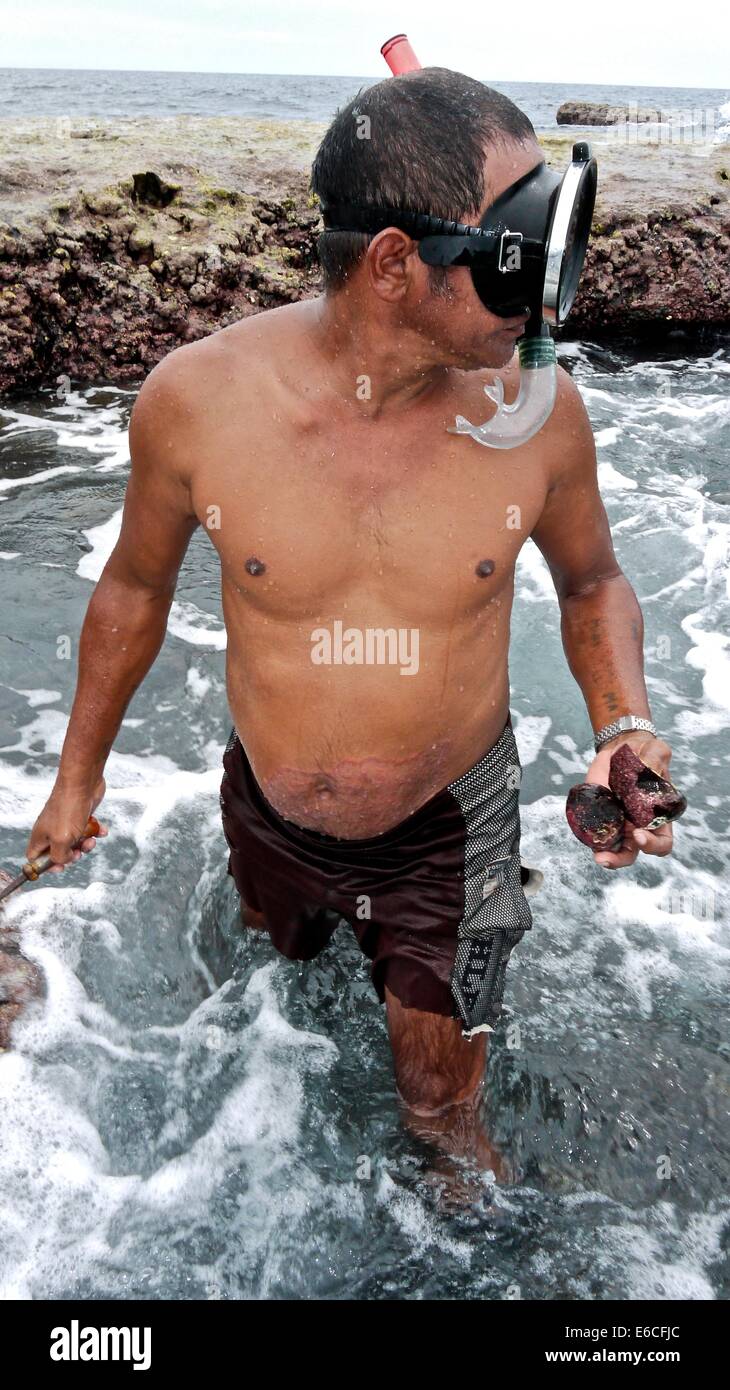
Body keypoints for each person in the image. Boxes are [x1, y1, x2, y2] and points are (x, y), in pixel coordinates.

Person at [27, 68, 674, 1167]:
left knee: (439, 1113)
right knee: (267, 977)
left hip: (448, 824)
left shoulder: (540, 416)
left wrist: (621, 721)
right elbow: (133, 587)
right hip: (267, 806)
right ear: (390, 264)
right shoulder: (198, 400)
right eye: (515, 259)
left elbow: (592, 582)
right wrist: (78, 776)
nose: (547, 297)